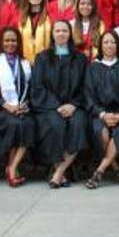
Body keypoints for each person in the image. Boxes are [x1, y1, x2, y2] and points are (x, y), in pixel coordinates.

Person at [31, 21, 90, 188]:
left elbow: (86, 87)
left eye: (65, 31)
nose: (61, 34)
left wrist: (73, 104)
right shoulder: (42, 57)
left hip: (74, 106)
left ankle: (58, 172)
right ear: (52, 34)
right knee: (54, 124)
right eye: (57, 31)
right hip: (49, 107)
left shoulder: (80, 58)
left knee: (78, 123)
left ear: (70, 34)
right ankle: (61, 170)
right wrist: (56, 106)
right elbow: (37, 87)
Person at [83, 30, 119, 188]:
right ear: (100, 45)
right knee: (102, 133)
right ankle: (118, 171)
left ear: (117, 45)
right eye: (105, 42)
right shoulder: (93, 67)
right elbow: (88, 95)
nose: (109, 45)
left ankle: (99, 172)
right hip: (100, 113)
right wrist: (102, 114)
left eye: (112, 42)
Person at [0, 26, 35, 187]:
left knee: (27, 123)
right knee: (15, 123)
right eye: (7, 40)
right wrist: (6, 106)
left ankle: (11, 167)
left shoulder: (26, 64)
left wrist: (26, 104)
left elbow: (32, 89)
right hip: (1, 110)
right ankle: (12, 169)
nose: (11, 43)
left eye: (14, 40)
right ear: (1, 43)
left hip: (23, 108)